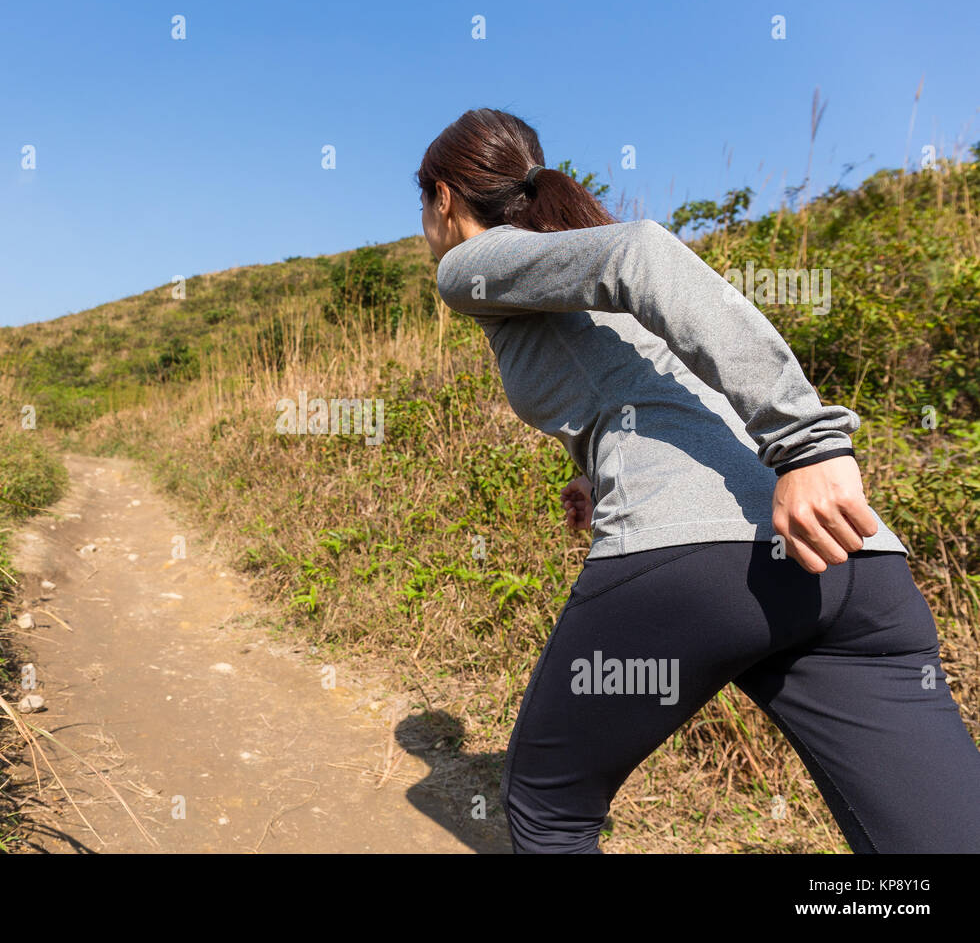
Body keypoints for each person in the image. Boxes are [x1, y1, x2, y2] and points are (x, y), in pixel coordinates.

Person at [416, 107, 980, 853]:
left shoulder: (468, 266)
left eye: (423, 205)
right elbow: (653, 379)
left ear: (445, 197)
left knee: (546, 805)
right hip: (851, 561)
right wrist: (595, 469)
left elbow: (641, 253)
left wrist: (806, 440)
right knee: (942, 837)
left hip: (707, 564)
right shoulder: (563, 266)